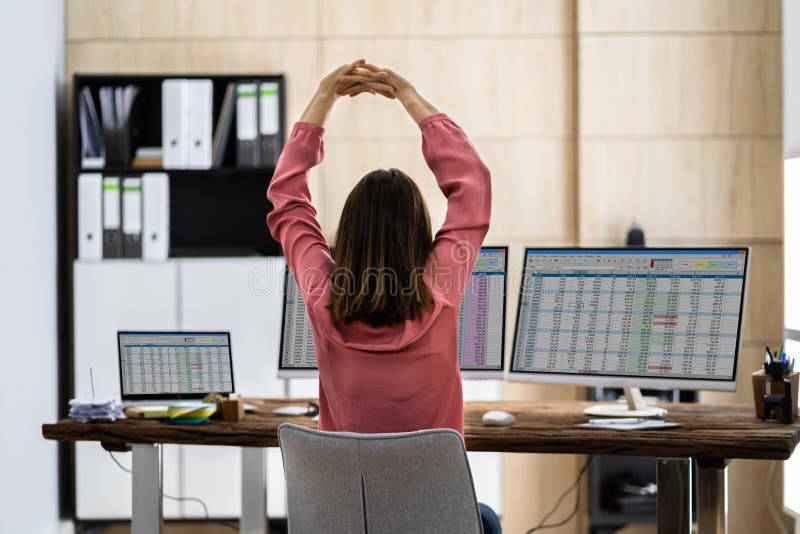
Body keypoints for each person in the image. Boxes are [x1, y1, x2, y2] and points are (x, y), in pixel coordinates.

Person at [267, 59, 499, 533]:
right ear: (422, 236)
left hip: (345, 522)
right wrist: (410, 98)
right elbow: (472, 183)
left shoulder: (322, 295)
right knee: (486, 520)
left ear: (346, 235)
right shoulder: (442, 288)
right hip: (432, 523)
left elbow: (287, 199)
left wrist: (324, 98)